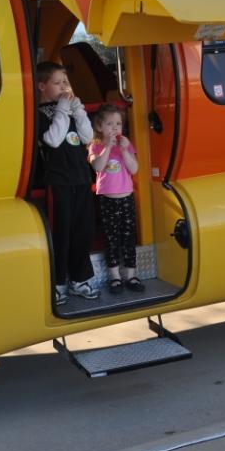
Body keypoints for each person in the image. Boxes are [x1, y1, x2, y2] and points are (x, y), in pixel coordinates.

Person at [37, 61, 97, 304]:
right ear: (42, 86)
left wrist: (78, 110)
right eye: (58, 83)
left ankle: (79, 279)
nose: (64, 87)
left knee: (82, 230)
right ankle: (58, 281)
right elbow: (53, 139)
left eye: (66, 82)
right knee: (61, 231)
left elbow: (87, 137)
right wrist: (61, 109)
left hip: (81, 178)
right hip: (58, 180)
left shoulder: (70, 109)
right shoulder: (40, 114)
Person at [88, 104, 143, 294]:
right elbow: (98, 167)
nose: (115, 128)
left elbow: (134, 169)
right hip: (108, 200)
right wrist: (107, 149)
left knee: (128, 237)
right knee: (111, 238)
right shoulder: (95, 146)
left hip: (126, 197)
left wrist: (126, 150)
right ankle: (115, 278)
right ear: (99, 127)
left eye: (118, 124)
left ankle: (131, 275)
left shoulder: (126, 147)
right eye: (110, 124)